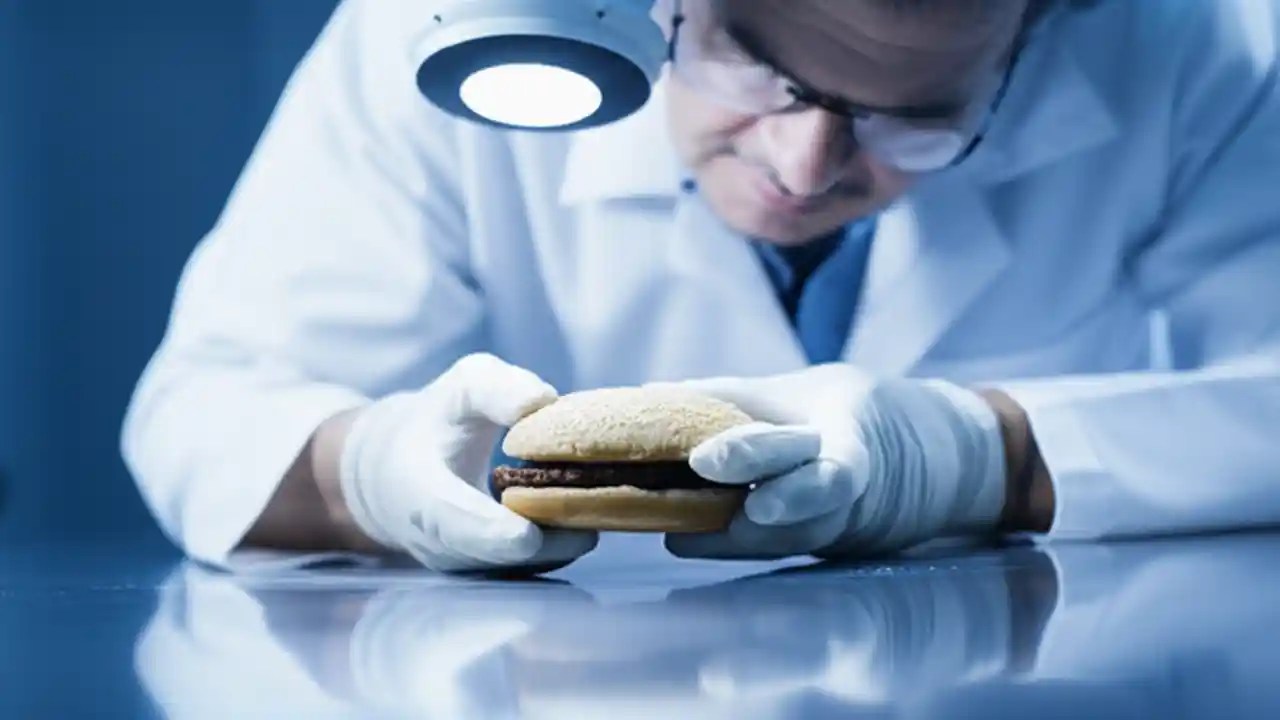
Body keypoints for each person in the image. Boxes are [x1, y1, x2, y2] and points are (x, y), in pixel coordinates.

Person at [122, 0, 1280, 571]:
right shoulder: (441, 28)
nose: (802, 169)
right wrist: (369, 477)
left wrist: (982, 456)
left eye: (918, 116)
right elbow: (205, 408)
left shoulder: (1184, 55)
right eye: (752, 66)